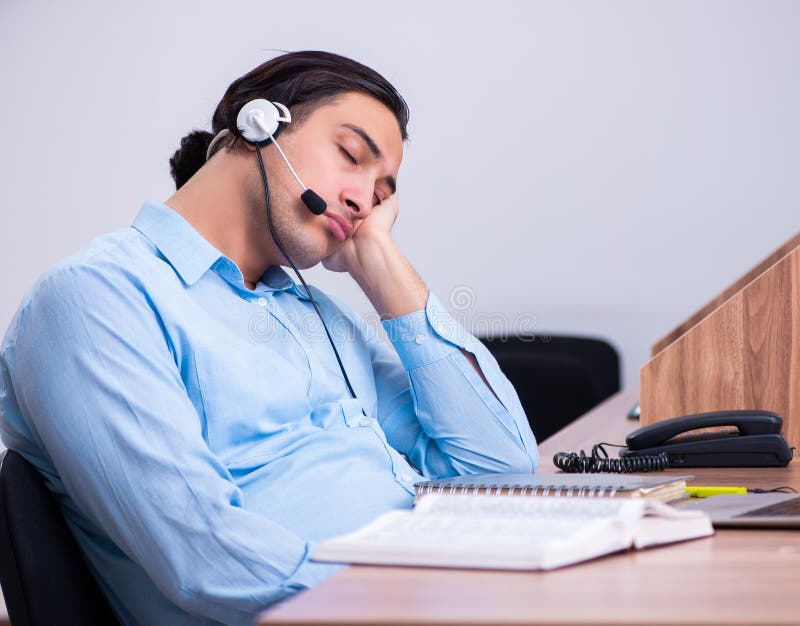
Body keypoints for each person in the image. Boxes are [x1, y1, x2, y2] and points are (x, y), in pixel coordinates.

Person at [0, 51, 538, 625]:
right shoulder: (97, 298)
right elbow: (209, 561)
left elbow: (498, 468)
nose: (362, 201)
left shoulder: (313, 313)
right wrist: (421, 591)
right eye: (351, 156)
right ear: (258, 122)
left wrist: (383, 268)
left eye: (381, 196)